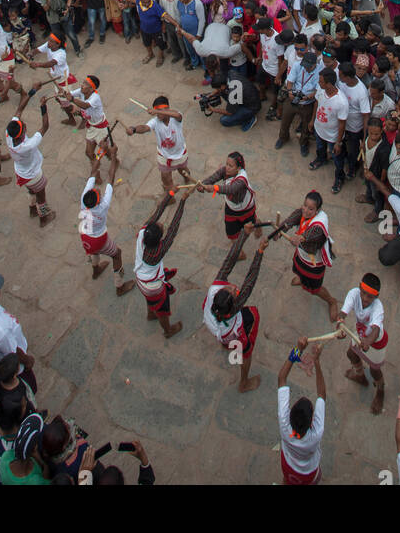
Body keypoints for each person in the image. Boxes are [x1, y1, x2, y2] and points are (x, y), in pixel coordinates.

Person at [202, 229, 269, 392]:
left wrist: (243, 235)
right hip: (230, 332)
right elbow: (250, 280)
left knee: (228, 341)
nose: (233, 287)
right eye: (233, 292)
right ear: (234, 305)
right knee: (246, 351)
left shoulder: (214, 292)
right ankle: (244, 382)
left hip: (214, 326)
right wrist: (259, 252)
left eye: (230, 289)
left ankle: (226, 346)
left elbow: (229, 260)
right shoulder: (234, 309)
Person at [133, 190, 191, 338]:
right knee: (163, 309)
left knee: (150, 301)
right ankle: (167, 330)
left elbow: (157, 212)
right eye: (160, 227)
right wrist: (182, 201)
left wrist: (171, 193)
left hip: (141, 280)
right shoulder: (159, 251)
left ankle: (150, 314)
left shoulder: (142, 234)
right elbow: (174, 226)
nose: (160, 223)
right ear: (159, 240)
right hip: (153, 287)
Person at [78, 148, 134, 296]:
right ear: (98, 202)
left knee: (94, 251)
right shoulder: (103, 206)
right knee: (117, 254)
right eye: (98, 194)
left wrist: (101, 152)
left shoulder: (84, 198)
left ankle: (96, 270)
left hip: (85, 235)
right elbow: (111, 176)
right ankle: (119, 286)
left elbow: (93, 171)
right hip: (99, 239)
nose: (98, 191)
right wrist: (114, 155)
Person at [279, 190, 338, 322]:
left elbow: (310, 235)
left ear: (317, 210)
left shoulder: (319, 225)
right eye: (305, 205)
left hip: (313, 263)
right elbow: (291, 219)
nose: (305, 210)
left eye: (310, 209)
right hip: (302, 255)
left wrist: (300, 238)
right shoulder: (303, 212)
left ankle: (331, 301)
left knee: (315, 288)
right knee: (299, 271)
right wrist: (281, 230)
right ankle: (302, 279)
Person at [276, 336, 326, 485]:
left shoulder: (284, 424)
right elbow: (322, 394)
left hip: (287, 465)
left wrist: (298, 350)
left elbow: (281, 378)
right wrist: (316, 361)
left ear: (290, 413)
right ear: (311, 422)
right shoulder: (316, 435)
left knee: (287, 480)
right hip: (308, 474)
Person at [337, 273, 388, 414]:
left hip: (376, 342)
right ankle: (360, 375)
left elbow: (376, 330)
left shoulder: (378, 307)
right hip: (361, 333)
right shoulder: (354, 294)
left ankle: (381, 391)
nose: (365, 299)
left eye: (370, 297)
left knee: (374, 370)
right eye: (363, 294)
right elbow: (342, 313)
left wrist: (368, 342)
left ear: (376, 296)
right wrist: (340, 324)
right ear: (359, 288)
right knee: (351, 354)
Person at [126, 95, 192, 194]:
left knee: (184, 172)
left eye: (161, 110)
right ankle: (170, 196)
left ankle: (188, 181)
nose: (158, 115)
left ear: (168, 109)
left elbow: (177, 115)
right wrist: (134, 129)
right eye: (157, 111)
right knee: (165, 179)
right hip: (164, 156)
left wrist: (157, 111)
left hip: (180, 154)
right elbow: (144, 128)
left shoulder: (176, 118)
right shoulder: (155, 122)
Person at [5, 101, 56, 228]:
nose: (24, 123)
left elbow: (19, 110)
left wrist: (32, 91)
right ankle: (43, 218)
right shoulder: (27, 146)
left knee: (32, 192)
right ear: (22, 134)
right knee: (41, 196)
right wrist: (43, 107)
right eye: (23, 125)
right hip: (33, 175)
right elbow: (45, 126)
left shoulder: (9, 135)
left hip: (21, 173)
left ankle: (32, 210)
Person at [198, 151, 257, 248]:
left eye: (231, 166)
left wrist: (214, 188)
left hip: (246, 208)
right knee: (231, 232)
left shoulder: (242, 179)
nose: (227, 168)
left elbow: (231, 189)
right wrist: (202, 184)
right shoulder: (225, 171)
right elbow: (214, 177)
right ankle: (239, 252)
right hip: (231, 207)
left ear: (238, 168)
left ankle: (257, 224)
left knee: (252, 225)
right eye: (227, 164)